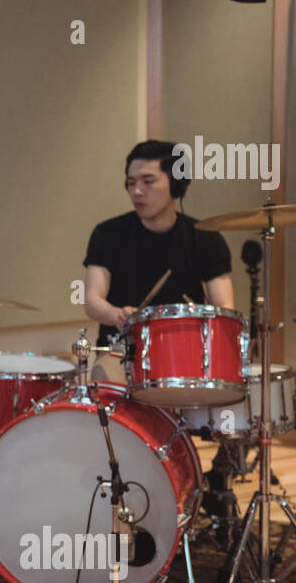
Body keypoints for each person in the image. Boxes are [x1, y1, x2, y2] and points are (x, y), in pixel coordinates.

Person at [83, 139, 238, 537]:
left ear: (177, 183)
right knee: (105, 424)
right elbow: (92, 300)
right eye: (131, 182)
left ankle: (219, 480)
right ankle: (121, 498)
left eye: (148, 181)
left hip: (185, 362)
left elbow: (224, 312)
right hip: (121, 353)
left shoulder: (206, 239)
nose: (137, 191)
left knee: (240, 399)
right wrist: (119, 314)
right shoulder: (108, 234)